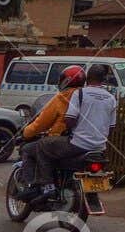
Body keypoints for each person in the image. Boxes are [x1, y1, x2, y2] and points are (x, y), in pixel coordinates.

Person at [29, 63, 117, 200]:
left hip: (77, 144)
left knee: (43, 145)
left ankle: (48, 186)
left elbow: (69, 120)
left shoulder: (80, 93)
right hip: (99, 148)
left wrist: (72, 129)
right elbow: (111, 127)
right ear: (103, 80)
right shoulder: (111, 98)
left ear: (87, 79)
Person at [15, 65, 86, 198]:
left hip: (63, 141)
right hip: (84, 142)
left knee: (29, 149)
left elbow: (41, 123)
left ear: (66, 81)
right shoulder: (86, 96)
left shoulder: (61, 98)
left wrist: (26, 132)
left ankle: (38, 186)